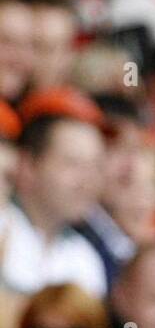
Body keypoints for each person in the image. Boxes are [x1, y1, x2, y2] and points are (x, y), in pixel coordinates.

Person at [0, 114, 106, 299]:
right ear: (28, 166)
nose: (88, 181)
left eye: (96, 166)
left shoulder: (85, 258)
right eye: (73, 164)